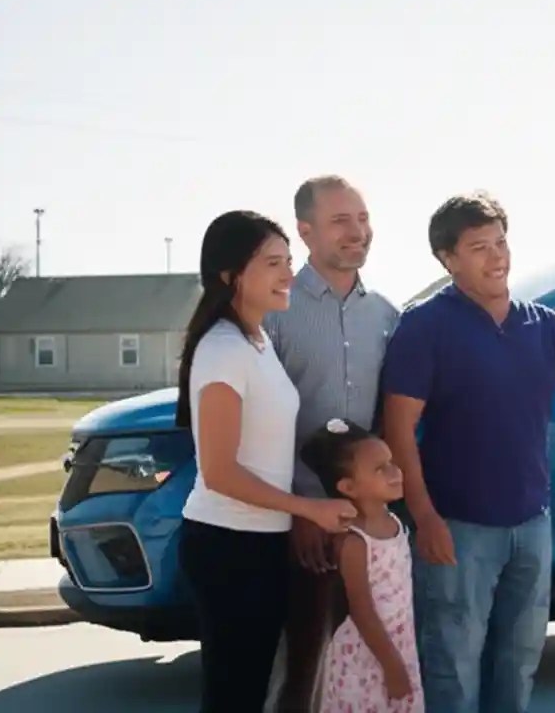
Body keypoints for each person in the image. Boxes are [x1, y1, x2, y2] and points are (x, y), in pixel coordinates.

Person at [382, 190, 555, 713]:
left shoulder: (545, 325)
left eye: (501, 243)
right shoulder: (424, 327)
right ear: (448, 259)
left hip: (532, 525)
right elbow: (399, 430)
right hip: (457, 528)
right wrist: (424, 516)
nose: (497, 256)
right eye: (479, 247)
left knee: (519, 661)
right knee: (452, 665)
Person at [175, 210, 358, 712]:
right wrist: (309, 509)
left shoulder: (256, 340)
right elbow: (220, 472)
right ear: (231, 276)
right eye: (273, 263)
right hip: (227, 548)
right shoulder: (223, 349)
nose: (289, 275)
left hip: (259, 544)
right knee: (234, 696)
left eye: (289, 261)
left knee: (251, 691)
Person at [263, 175, 401, 711]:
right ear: (305, 231)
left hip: (364, 525)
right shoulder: (275, 311)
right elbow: (262, 425)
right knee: (303, 668)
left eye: (362, 219)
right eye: (341, 220)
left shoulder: (387, 316)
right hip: (295, 520)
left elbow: (387, 423)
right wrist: (300, 511)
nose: (357, 232)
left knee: (365, 665)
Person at [301, 417, 425, 713]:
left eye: (392, 463)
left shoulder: (396, 523)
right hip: (366, 657)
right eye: (380, 468)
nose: (395, 472)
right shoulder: (355, 542)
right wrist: (392, 666)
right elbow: (362, 610)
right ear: (348, 486)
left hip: (399, 646)